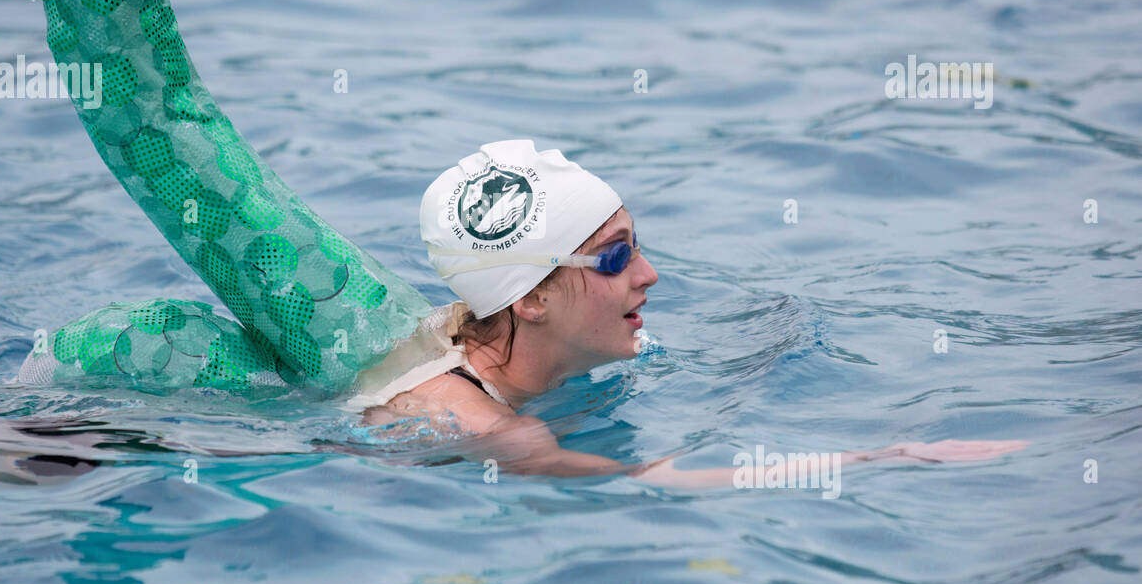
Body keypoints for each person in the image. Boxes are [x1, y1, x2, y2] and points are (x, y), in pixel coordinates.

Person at [351, 139, 1026, 488]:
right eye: (615, 260)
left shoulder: (472, 330)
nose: (650, 276)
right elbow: (662, 482)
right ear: (530, 299)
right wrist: (886, 455)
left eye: (639, 247)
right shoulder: (494, 431)